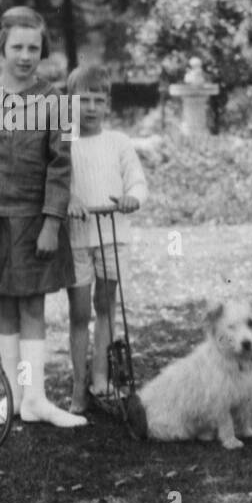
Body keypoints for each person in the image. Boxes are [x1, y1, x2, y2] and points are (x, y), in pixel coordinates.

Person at [0, 6, 86, 428]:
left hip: (35, 221)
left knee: (33, 306)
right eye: (17, 46)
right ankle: (11, 396)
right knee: (6, 307)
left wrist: (52, 223)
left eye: (34, 47)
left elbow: (61, 164)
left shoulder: (57, 101)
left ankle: (37, 399)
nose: (25, 55)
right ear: (1, 45)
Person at [63, 64, 148, 413]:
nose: (92, 108)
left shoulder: (119, 142)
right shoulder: (63, 142)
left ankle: (101, 377)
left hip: (112, 235)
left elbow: (138, 182)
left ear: (108, 105)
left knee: (105, 305)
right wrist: (68, 200)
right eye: (84, 100)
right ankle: (79, 385)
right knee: (79, 311)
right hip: (78, 238)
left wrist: (132, 199)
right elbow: (56, 183)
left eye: (98, 100)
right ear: (71, 103)